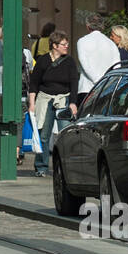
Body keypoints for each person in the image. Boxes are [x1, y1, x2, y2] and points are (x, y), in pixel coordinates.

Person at [27, 30, 79, 177]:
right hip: (45, 100)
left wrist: (73, 103)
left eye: (67, 44)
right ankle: (41, 166)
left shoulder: (69, 61)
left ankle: (65, 168)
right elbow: (34, 84)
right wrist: (32, 103)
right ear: (54, 45)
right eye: (63, 44)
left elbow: (74, 83)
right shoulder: (43, 61)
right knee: (44, 135)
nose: (66, 46)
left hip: (63, 100)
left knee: (65, 136)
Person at [76, 12, 120, 103]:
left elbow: (85, 64)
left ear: (87, 26)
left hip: (87, 88)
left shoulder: (82, 41)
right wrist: (105, 83)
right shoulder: (111, 44)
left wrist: (97, 81)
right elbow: (117, 67)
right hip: (107, 88)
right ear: (102, 26)